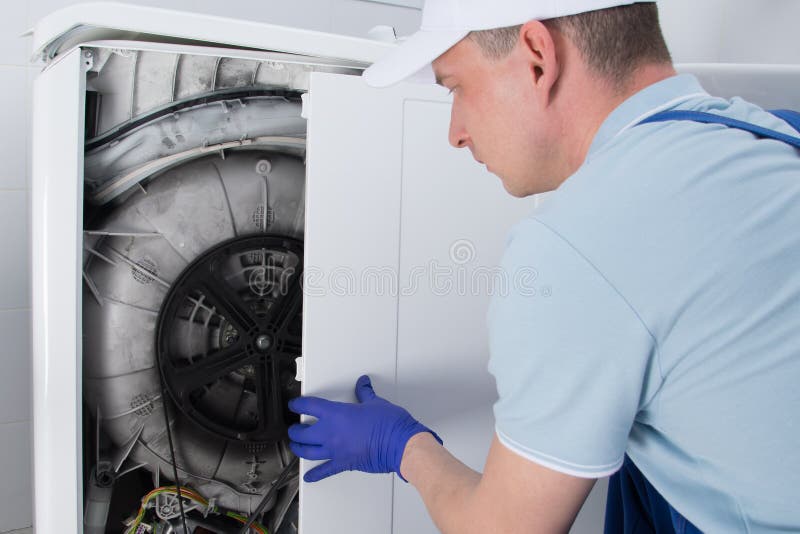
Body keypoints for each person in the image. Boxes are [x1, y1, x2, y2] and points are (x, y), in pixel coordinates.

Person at [287, 1, 800, 532]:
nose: (455, 132)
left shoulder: (579, 244)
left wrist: (402, 448)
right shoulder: (764, 135)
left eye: (456, 87)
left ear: (537, 57)